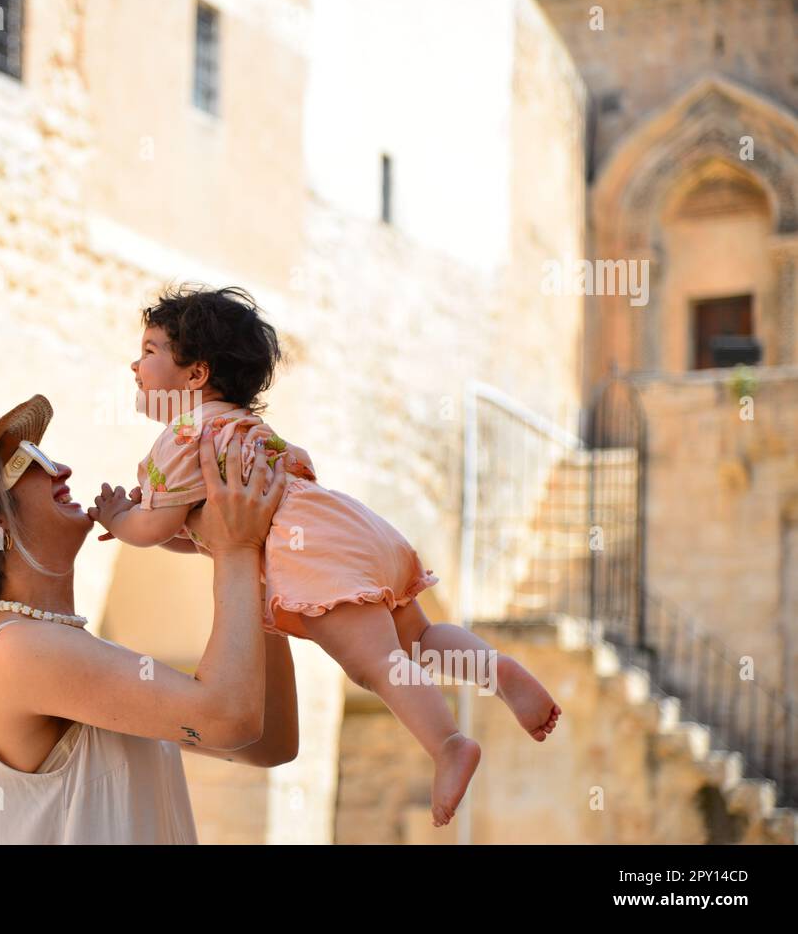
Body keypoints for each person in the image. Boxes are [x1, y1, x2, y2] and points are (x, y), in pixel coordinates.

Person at [92, 284, 562, 827]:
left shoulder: (183, 436)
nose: (135, 363)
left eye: (149, 351)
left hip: (315, 556)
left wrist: (115, 517)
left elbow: (152, 528)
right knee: (419, 639)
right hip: (350, 528)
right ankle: (497, 670)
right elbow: (199, 534)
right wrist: (157, 526)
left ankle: (450, 744)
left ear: (195, 375)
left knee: (377, 665)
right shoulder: (242, 427)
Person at [0, 393, 296, 843]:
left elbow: (268, 741)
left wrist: (252, 564)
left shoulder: (66, 652)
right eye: (28, 459)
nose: (59, 468)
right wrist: (234, 549)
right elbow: (230, 718)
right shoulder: (16, 651)